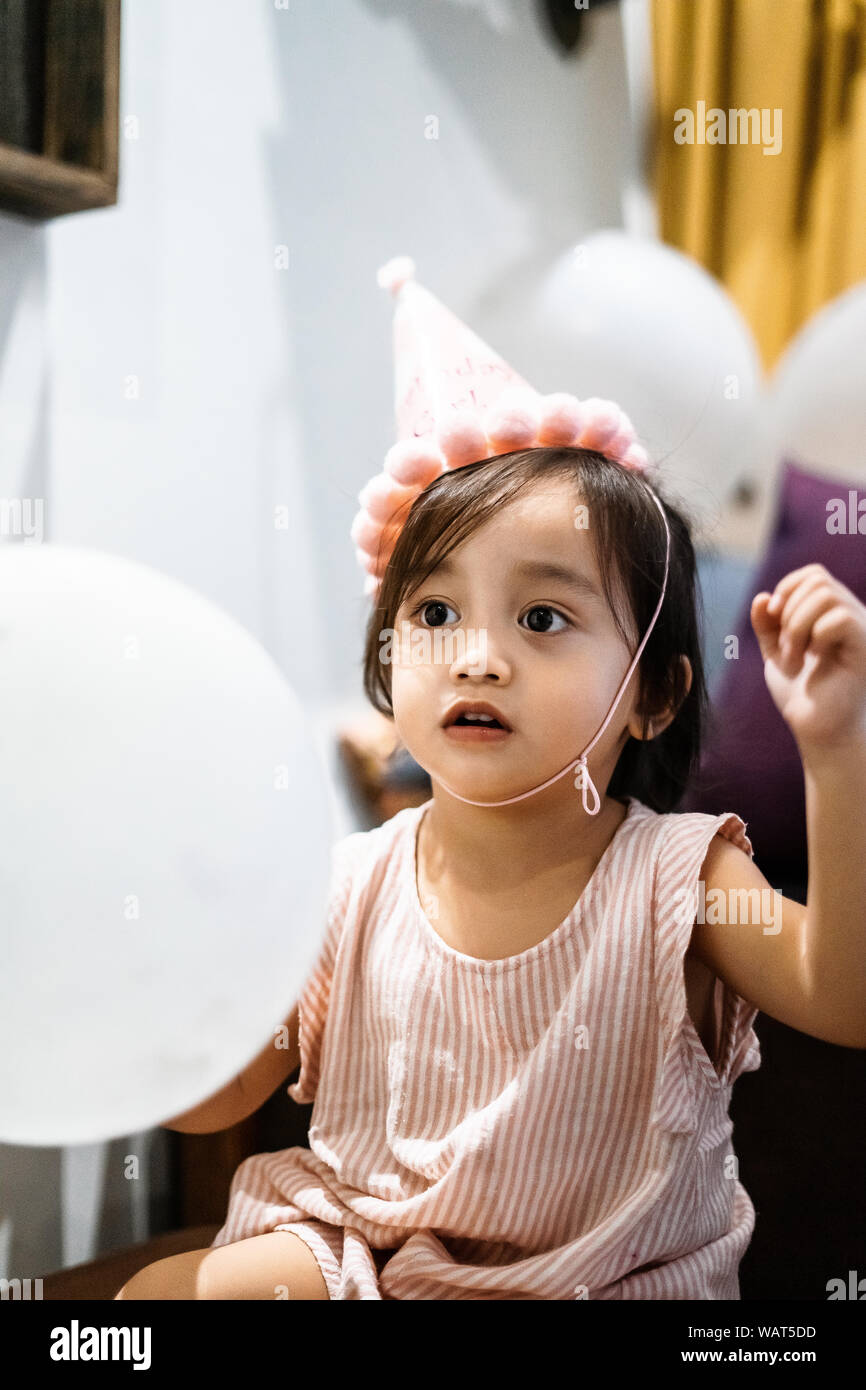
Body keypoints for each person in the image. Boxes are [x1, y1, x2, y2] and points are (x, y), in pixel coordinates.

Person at [115, 261, 866, 1300]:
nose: (477, 656)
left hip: (607, 1284)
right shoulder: (348, 883)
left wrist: (836, 752)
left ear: (652, 694)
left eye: (542, 618)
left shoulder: (677, 875)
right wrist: (165, 951)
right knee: (153, 1299)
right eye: (433, 614)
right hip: (367, 1259)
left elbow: (845, 997)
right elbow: (210, 1102)